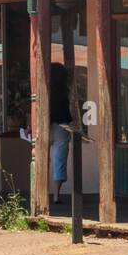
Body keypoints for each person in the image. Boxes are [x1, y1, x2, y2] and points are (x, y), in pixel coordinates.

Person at [49, 63, 73, 205]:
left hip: (46, 126)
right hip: (61, 127)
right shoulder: (64, 92)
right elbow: (67, 114)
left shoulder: (46, 90)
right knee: (59, 162)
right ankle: (56, 195)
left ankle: (39, 191)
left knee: (41, 159)